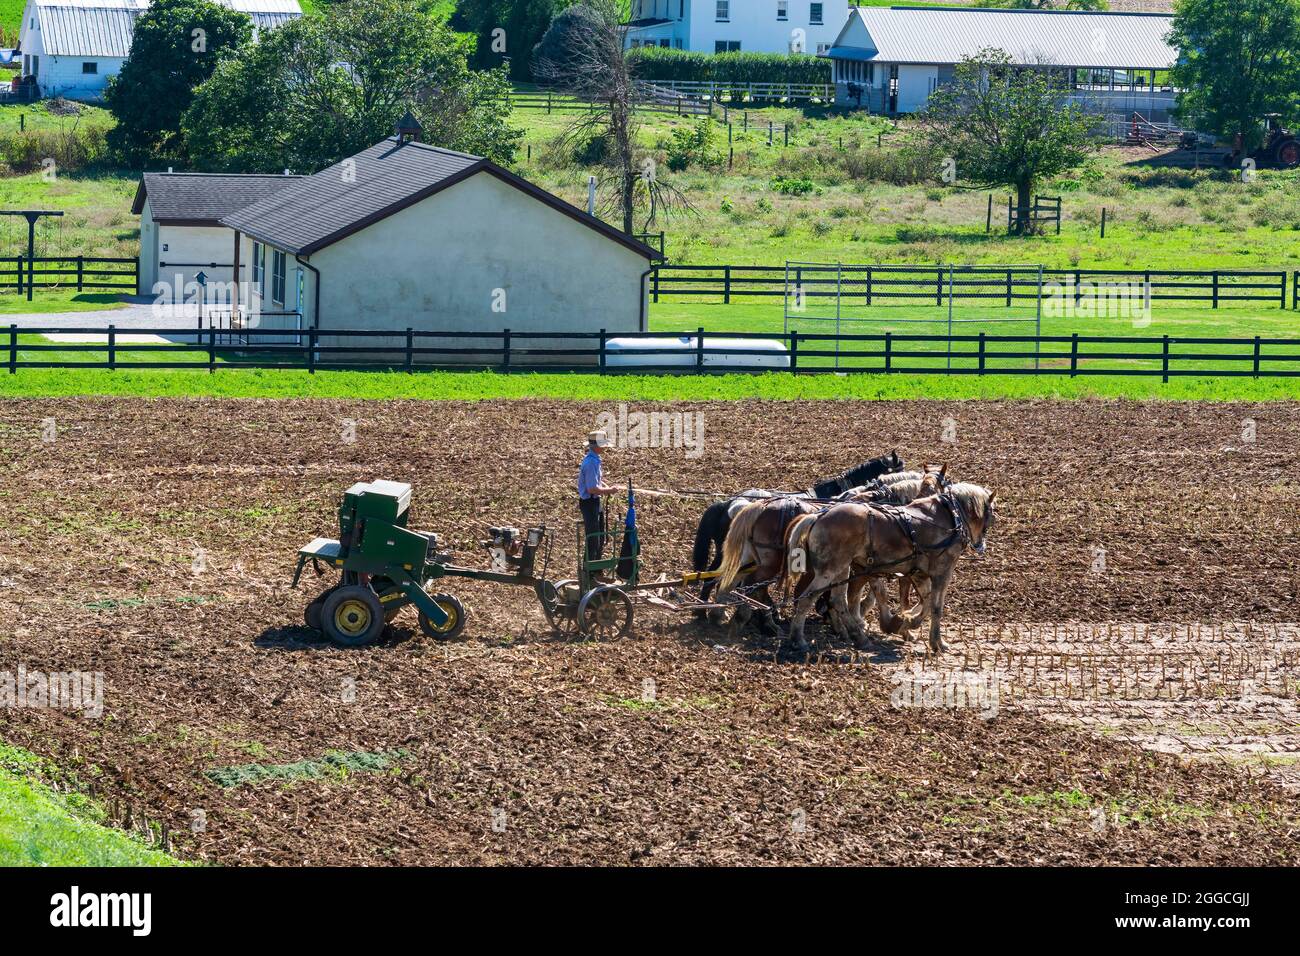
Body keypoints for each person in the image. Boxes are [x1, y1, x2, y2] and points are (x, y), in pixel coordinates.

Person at [577, 430, 618, 562]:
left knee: (599, 537)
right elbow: (592, 488)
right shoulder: (591, 463)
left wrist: (604, 487)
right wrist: (609, 491)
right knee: (593, 539)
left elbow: (595, 482)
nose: (605, 448)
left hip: (594, 503)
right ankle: (589, 570)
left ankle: (596, 570)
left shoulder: (594, 461)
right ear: (597, 446)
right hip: (589, 504)